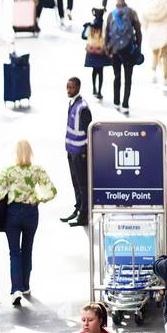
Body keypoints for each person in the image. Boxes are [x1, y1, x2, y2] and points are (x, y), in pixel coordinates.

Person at [0, 139, 56, 307]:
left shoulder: (8, 171)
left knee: (14, 252)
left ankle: (16, 290)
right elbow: (52, 191)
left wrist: (8, 190)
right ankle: (26, 286)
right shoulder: (37, 170)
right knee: (27, 249)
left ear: (15, 153)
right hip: (31, 212)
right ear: (30, 153)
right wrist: (39, 198)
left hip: (12, 213)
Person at [104, 0, 142, 116]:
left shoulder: (111, 14)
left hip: (115, 50)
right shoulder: (132, 13)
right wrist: (138, 47)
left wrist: (107, 49)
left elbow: (106, 33)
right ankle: (125, 103)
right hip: (128, 50)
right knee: (128, 78)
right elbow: (138, 30)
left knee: (117, 76)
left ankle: (116, 101)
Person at [62, 77, 91, 228]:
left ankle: (84, 215)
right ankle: (78, 208)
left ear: (78, 87)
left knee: (83, 184)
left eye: (71, 88)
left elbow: (88, 131)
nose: (68, 90)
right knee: (75, 183)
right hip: (71, 150)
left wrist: (84, 152)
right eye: (67, 87)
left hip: (80, 153)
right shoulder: (72, 103)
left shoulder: (83, 107)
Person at [81, 7, 108, 100]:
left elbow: (83, 36)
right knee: (100, 72)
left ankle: (94, 88)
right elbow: (107, 37)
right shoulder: (104, 25)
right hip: (101, 51)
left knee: (94, 70)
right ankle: (99, 91)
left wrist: (85, 27)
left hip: (91, 51)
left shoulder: (90, 25)